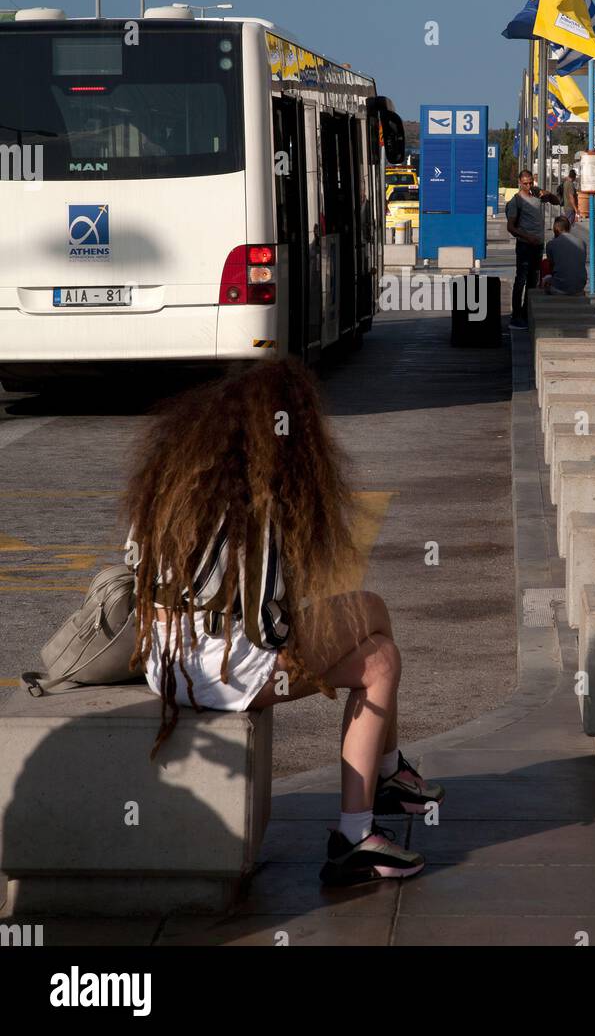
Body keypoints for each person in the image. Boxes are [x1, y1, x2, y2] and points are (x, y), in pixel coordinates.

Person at [126, 358, 444, 889]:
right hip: (219, 674)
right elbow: (266, 629)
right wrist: (307, 633)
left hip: (165, 662)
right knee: (380, 652)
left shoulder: (169, 481)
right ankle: (362, 821)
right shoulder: (255, 502)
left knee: (375, 628)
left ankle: (381, 790)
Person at [506, 168, 560, 326]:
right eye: (525, 183)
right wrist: (527, 237)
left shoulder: (536, 193)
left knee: (533, 280)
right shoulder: (516, 202)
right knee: (521, 279)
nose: (528, 186)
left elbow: (557, 201)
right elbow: (510, 227)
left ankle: (526, 312)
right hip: (525, 245)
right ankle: (516, 316)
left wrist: (549, 195)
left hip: (538, 245)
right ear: (519, 183)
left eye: (530, 182)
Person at [543, 215, 587, 296]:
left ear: (555, 229)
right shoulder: (582, 243)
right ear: (569, 228)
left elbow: (551, 266)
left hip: (560, 288)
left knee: (545, 276)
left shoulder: (551, 244)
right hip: (579, 287)